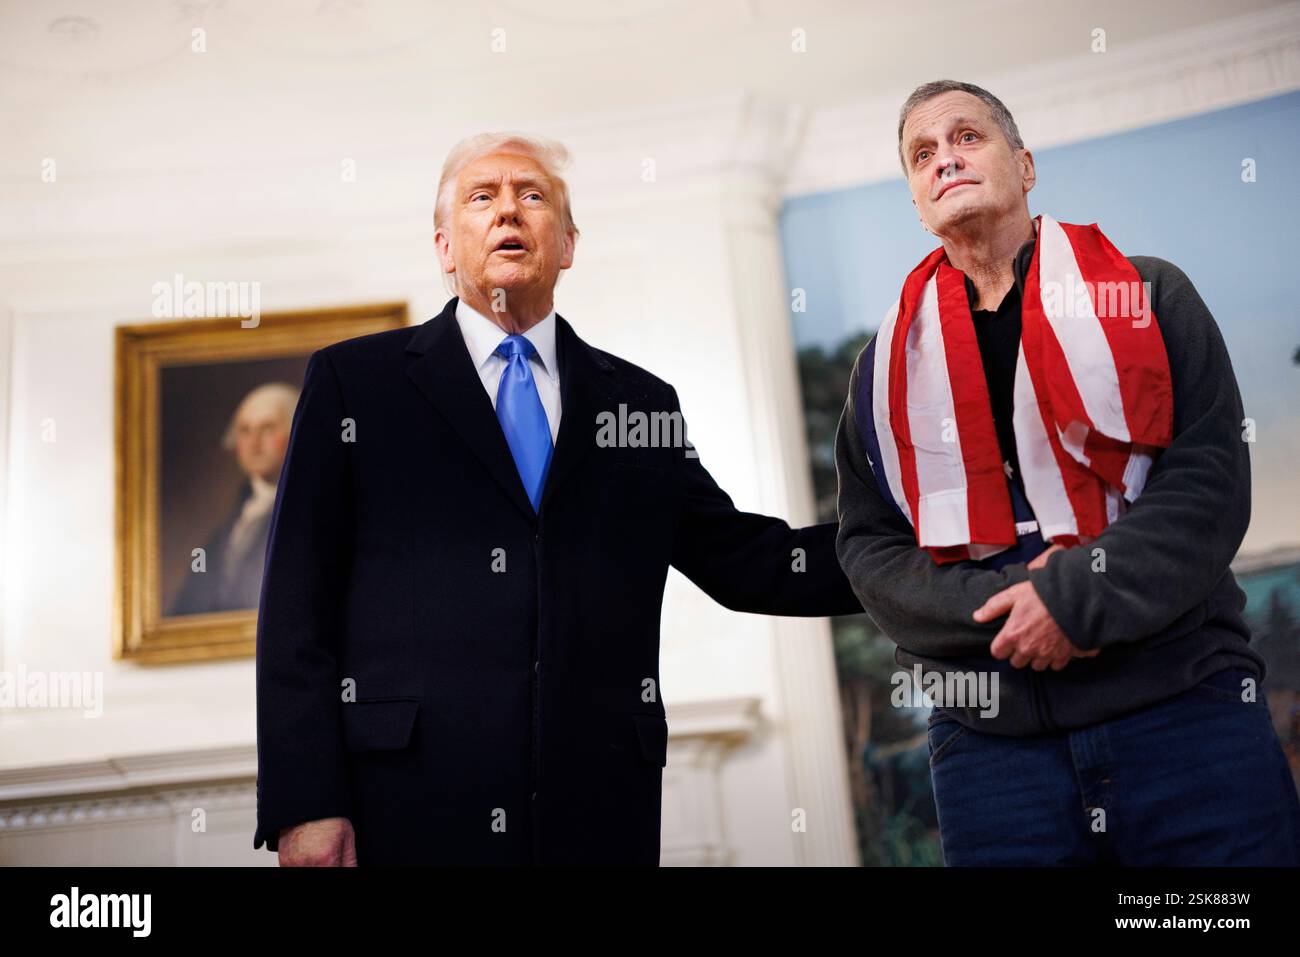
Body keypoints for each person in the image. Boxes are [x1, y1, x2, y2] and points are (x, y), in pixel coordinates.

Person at [255, 132, 862, 866]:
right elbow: (295, 603)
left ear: (567, 244)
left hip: (599, 805)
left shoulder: (638, 400)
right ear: (447, 247)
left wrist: (913, 548)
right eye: (484, 197)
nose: (509, 209)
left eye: (532, 195)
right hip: (409, 805)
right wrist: (305, 800)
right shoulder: (355, 383)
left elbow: (745, 559)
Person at [834, 79, 1300, 865]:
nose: (945, 159)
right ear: (917, 201)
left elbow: (1208, 484)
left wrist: (1076, 596)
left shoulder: (1147, 292)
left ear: (1024, 164)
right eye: (923, 154)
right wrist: (1021, 608)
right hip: (991, 753)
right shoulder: (881, 372)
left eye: (967, 138)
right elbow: (871, 551)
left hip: (1186, 711)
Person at [170, 382, 297, 616]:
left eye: (268, 429)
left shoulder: (310, 514)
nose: (254, 442)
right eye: (245, 431)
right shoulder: (227, 530)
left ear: (295, 434)